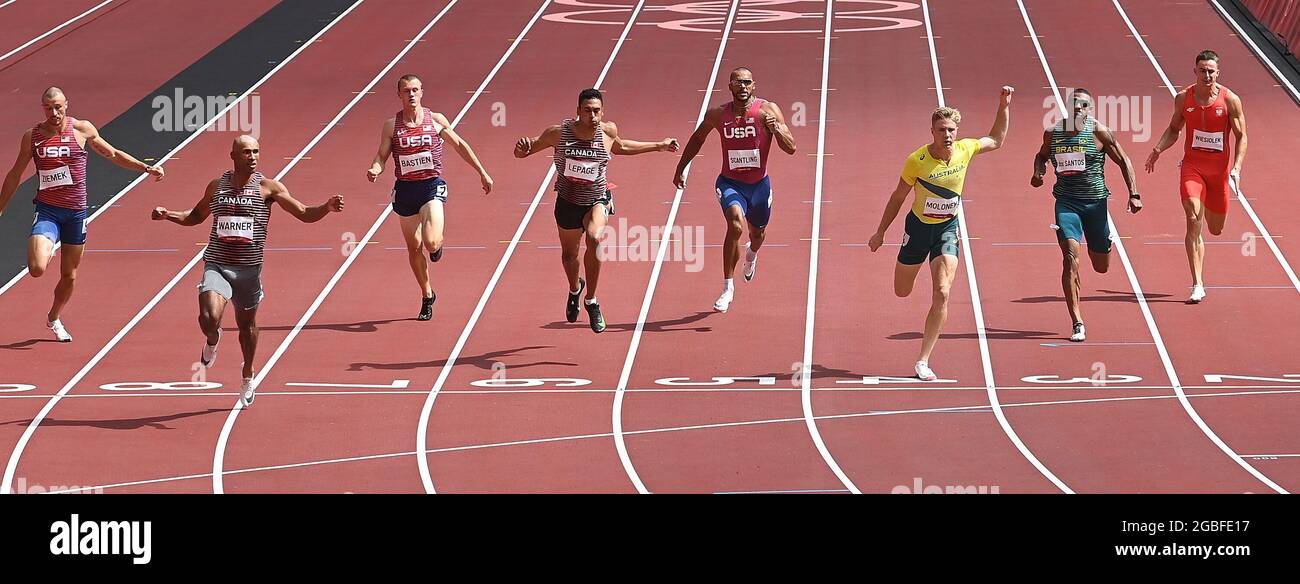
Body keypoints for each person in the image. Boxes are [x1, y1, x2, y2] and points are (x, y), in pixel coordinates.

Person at [152, 135, 343, 407]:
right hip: (217, 263)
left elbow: (302, 212)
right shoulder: (217, 186)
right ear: (233, 156)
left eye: (256, 152)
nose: (252, 157)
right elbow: (194, 216)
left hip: (248, 270)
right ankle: (212, 340)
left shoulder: (268, 189)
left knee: (246, 327)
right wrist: (167, 214)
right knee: (208, 317)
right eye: (246, 152)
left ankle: (248, 372)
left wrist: (326, 207)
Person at [868, 87, 1014, 381]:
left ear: (957, 131)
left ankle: (923, 360)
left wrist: (1003, 105)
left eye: (951, 130)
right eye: (941, 130)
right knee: (902, 290)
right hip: (917, 229)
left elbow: (996, 139)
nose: (947, 135)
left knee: (943, 292)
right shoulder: (917, 161)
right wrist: (880, 232)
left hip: (947, 229)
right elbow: (898, 197)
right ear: (932, 132)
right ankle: (911, 265)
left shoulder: (965, 149)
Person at [0, 86, 164, 341]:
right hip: (48, 211)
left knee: (69, 276)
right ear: (42, 108)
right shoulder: (32, 136)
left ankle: (54, 318)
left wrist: (145, 168)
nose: (54, 112)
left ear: (67, 104)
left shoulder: (82, 129)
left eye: (58, 107)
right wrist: (1, 207)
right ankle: (49, 241)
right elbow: (14, 174)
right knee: (36, 268)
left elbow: (112, 154)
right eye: (48, 108)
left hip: (76, 214)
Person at [514, 88, 678, 333]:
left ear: (603, 113)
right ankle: (574, 289)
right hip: (568, 201)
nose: (592, 115)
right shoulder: (558, 134)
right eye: (588, 111)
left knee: (594, 238)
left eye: (597, 111)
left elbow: (621, 147)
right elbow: (523, 153)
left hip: (596, 199)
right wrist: (521, 148)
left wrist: (659, 146)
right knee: (570, 257)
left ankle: (591, 300)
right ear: (578, 112)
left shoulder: (607, 131)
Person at [367, 74, 493, 320]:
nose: (411, 95)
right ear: (399, 95)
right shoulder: (391, 125)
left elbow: (459, 145)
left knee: (430, 242)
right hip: (405, 190)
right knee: (414, 248)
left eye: (415, 90)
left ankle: (437, 246)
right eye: (406, 91)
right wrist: (375, 169)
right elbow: (382, 155)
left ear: (422, 92)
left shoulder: (435, 120)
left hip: (430, 187)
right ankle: (427, 295)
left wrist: (482, 172)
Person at [673, 67, 796, 312]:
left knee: (757, 234)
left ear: (753, 86)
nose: (742, 86)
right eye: (737, 82)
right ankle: (728, 287)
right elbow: (697, 139)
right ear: (730, 86)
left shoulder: (767, 111)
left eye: (747, 82)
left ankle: (751, 255)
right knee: (735, 223)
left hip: (759, 186)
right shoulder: (718, 114)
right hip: (730, 183)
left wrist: (776, 129)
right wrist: (681, 167)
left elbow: (791, 147)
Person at [1031, 88, 1142, 342]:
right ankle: (1077, 321)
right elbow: (1041, 156)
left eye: (1083, 106)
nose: (1078, 109)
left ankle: (1105, 243)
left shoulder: (1099, 132)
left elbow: (1124, 160)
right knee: (1070, 257)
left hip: (1095, 204)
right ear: (1067, 108)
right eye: (1074, 105)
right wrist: (1039, 172)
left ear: (1089, 109)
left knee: (1100, 266)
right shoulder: (1053, 134)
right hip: (1067, 203)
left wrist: (1134, 193)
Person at [1146, 50, 1247, 304]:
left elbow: (1241, 136)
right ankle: (1197, 283)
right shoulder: (1183, 98)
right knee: (1192, 217)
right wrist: (1157, 150)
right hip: (1193, 167)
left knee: (1215, 228)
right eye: (1202, 70)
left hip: (1219, 173)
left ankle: (1211, 224)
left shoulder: (1230, 100)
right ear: (1195, 71)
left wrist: (1236, 167)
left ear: (1218, 73)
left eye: (1211, 70)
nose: (1207, 75)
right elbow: (1173, 128)